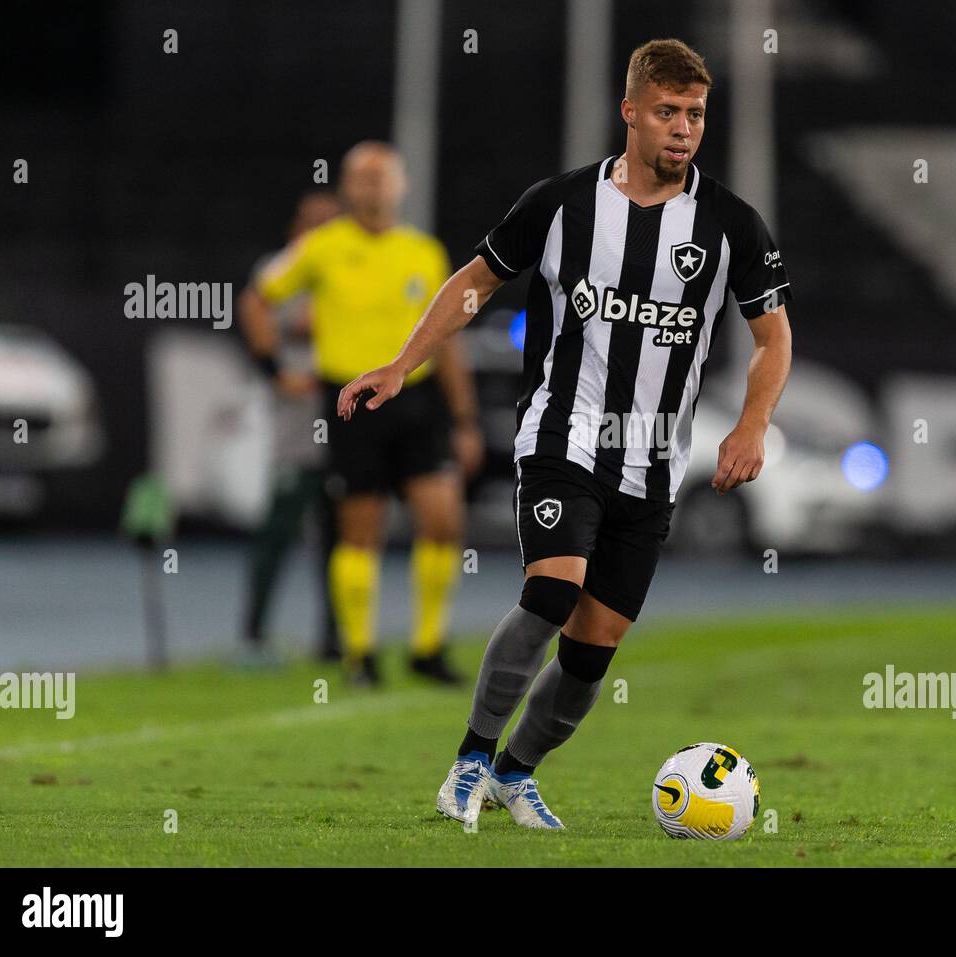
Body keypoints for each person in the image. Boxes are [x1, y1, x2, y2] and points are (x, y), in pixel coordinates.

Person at [338, 39, 792, 827]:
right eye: (667, 113)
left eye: (695, 115)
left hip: (653, 461)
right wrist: (403, 362)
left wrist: (753, 424)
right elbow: (476, 281)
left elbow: (773, 337)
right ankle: (470, 762)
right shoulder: (559, 205)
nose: (683, 129)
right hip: (563, 432)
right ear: (630, 113)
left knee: (591, 652)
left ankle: (516, 772)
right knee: (552, 589)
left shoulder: (730, 226)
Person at [254, 142, 483, 686]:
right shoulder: (321, 247)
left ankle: (427, 646)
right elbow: (258, 297)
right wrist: (273, 368)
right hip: (353, 402)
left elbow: (447, 342)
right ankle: (360, 653)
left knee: (444, 521)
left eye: (382, 177)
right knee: (361, 531)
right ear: (346, 188)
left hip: (418, 400)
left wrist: (465, 417)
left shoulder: (424, 252)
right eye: (362, 178)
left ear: (401, 186)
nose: (373, 187)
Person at [238, 189, 342, 664]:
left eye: (329, 221)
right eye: (312, 221)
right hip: (296, 428)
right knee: (278, 529)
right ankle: (254, 634)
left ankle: (336, 640)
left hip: (343, 423)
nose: (320, 229)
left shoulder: (349, 266)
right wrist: (276, 372)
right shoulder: (281, 270)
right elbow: (255, 307)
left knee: (340, 535)